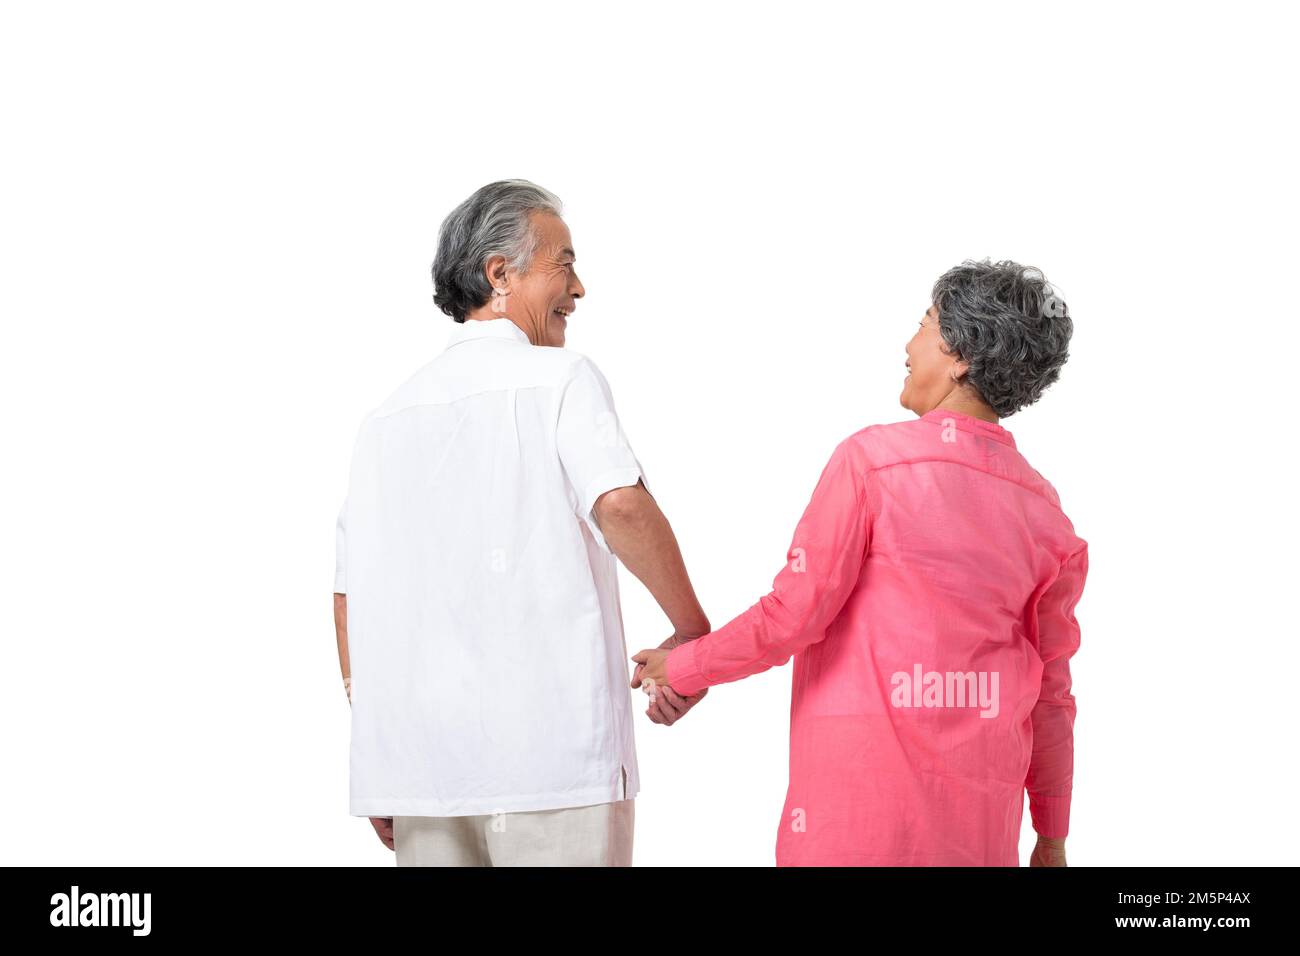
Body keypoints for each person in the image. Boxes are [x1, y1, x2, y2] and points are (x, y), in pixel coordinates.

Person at [633, 259, 1087, 866]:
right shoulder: (1048, 517)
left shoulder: (872, 463)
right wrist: (1051, 838)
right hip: (981, 836)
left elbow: (793, 615)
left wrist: (684, 666)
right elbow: (1052, 695)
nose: (908, 345)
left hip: (856, 827)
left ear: (958, 354)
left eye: (923, 325)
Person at [334, 180, 709, 866]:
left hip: (424, 776)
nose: (581, 289)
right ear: (499, 274)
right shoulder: (559, 379)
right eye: (564, 264)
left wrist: (379, 756)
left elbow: (350, 595)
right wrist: (693, 633)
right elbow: (620, 504)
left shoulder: (383, 420)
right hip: (555, 765)